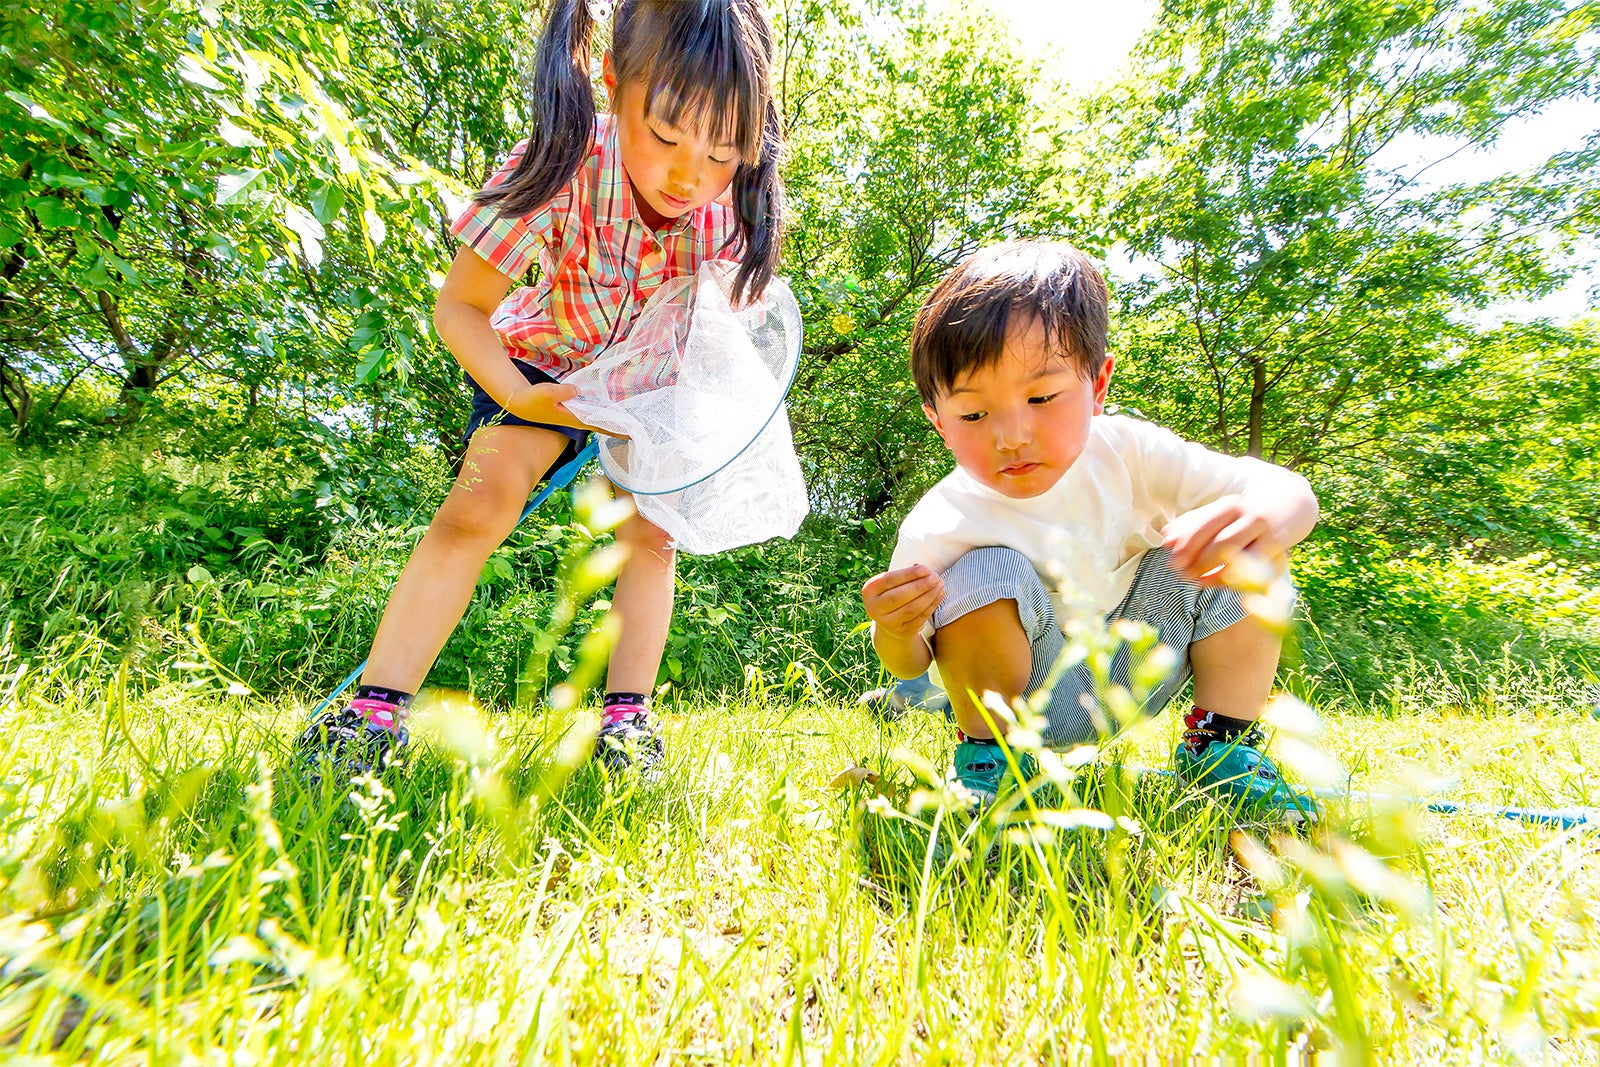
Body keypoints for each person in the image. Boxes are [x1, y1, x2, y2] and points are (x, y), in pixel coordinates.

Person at [298, 0, 786, 780]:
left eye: (724, 152)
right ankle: (373, 711)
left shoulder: (724, 219)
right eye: (664, 134)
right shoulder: (561, 165)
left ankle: (628, 724)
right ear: (613, 81)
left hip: (641, 391)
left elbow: (721, 352)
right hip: (537, 368)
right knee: (478, 506)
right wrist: (522, 401)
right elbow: (460, 308)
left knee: (651, 537)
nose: (690, 173)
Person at [861, 241, 1320, 819]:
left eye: (1042, 397)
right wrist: (894, 628)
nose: (1010, 434)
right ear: (938, 421)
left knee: (1242, 542)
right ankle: (990, 763)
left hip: (1139, 667)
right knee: (984, 571)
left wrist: (1263, 520)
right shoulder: (943, 520)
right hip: (1025, 703)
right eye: (974, 414)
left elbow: (1288, 494)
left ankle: (1222, 749)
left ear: (1097, 386)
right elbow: (908, 660)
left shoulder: (1129, 452)